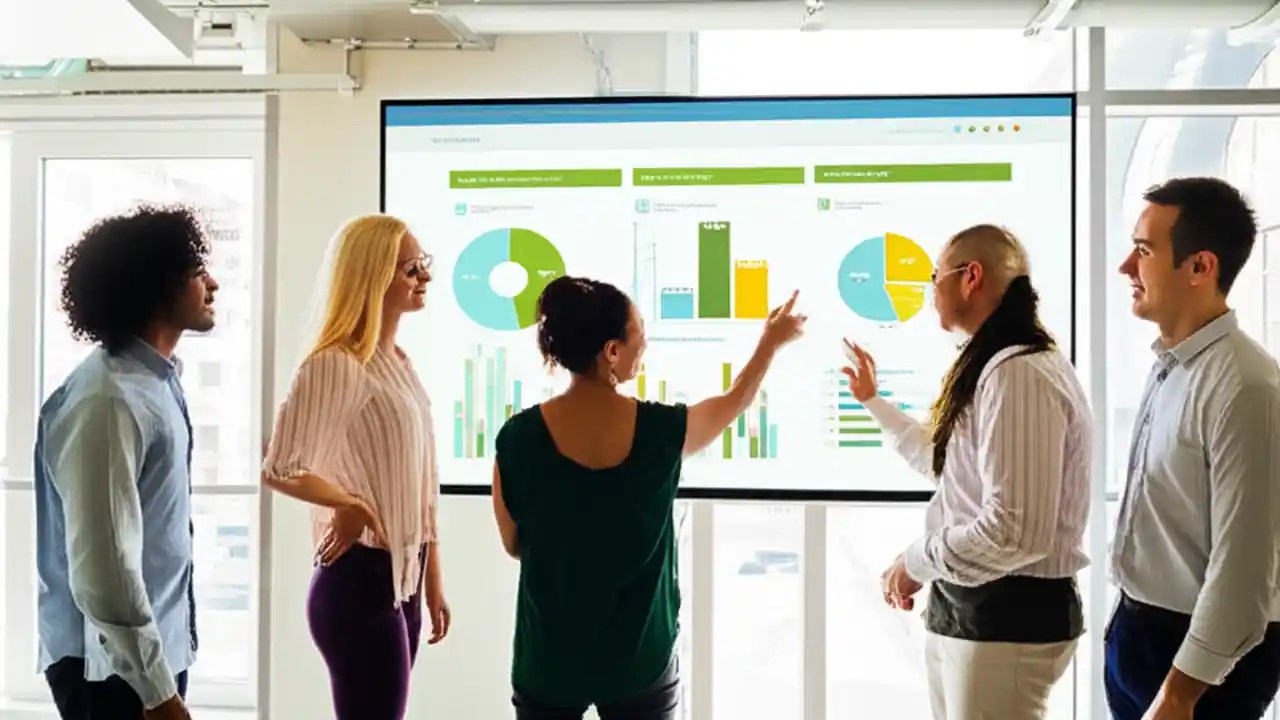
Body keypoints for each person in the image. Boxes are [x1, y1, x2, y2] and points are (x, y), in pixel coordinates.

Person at [490, 277, 806, 720]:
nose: (646, 344)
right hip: (640, 660)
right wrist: (770, 343)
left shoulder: (517, 437)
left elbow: (512, 543)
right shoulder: (662, 431)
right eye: (639, 332)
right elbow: (735, 401)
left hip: (549, 658)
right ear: (612, 351)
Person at [842, 224, 1092, 720]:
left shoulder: (1018, 373)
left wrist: (914, 563)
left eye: (935, 275)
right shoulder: (997, 365)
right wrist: (872, 401)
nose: (930, 289)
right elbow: (946, 463)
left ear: (970, 277)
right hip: (974, 612)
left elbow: (1013, 532)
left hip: (1006, 618)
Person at [34, 204, 219, 720]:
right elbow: (105, 569)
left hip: (143, 658)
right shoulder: (109, 400)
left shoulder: (154, 385)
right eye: (196, 271)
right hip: (114, 671)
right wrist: (157, 692)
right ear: (157, 286)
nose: (213, 283)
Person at [261, 214, 450, 720]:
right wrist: (345, 503)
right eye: (412, 269)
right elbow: (279, 466)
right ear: (373, 277)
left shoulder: (401, 364)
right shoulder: (335, 364)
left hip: (402, 580)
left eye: (422, 266)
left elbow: (420, 485)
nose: (425, 278)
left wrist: (432, 584)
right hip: (355, 582)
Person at [1106, 177, 1280, 720]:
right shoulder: (1173, 367)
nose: (1126, 269)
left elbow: (1244, 570)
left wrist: (1180, 692)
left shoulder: (1247, 387)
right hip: (1141, 637)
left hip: (1200, 672)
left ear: (1200, 267)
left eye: (1143, 250)